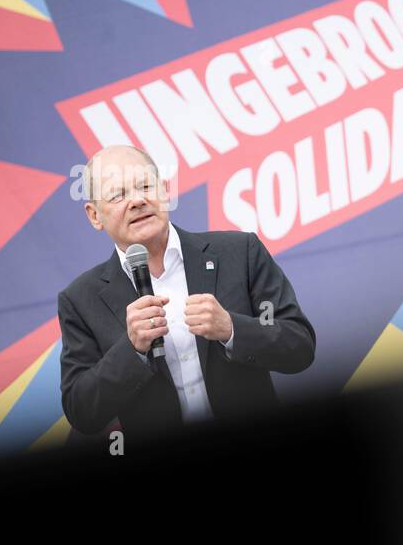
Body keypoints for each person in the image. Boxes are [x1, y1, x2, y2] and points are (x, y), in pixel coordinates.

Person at [57, 144, 315, 445]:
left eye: (145, 186)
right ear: (94, 215)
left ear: (165, 191)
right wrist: (132, 349)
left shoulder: (239, 252)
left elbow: (300, 346)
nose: (138, 201)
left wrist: (232, 328)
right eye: (118, 195)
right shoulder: (80, 300)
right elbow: (82, 411)